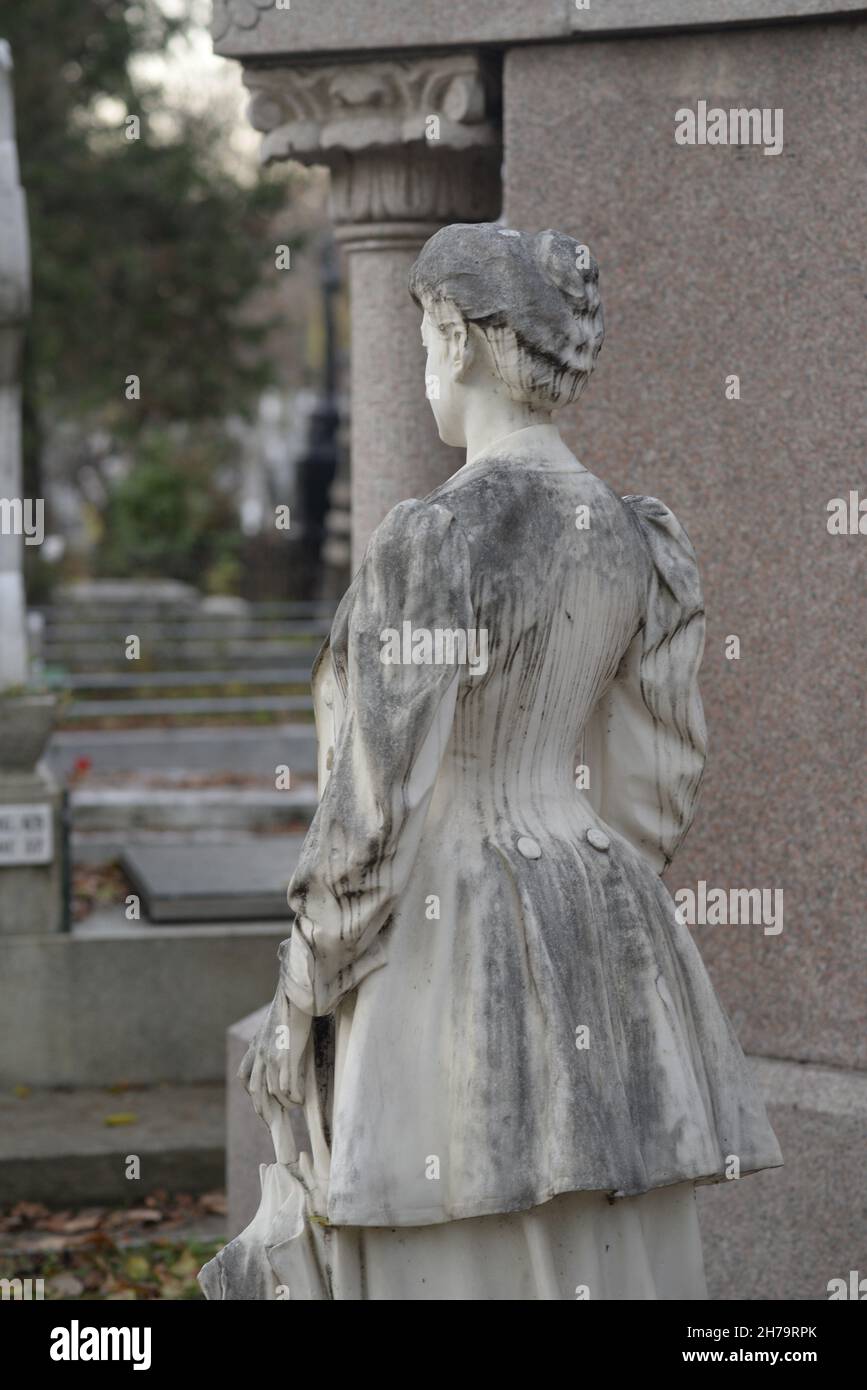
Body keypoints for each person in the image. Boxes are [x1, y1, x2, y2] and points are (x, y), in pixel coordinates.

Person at [200, 223, 782, 1301]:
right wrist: (576, 873)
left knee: (459, 1255)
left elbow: (372, 813)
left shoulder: (437, 538)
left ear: (459, 337)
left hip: (443, 936)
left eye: (425, 333)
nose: (426, 361)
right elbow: (656, 785)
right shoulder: (634, 535)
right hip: (607, 925)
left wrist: (304, 986)